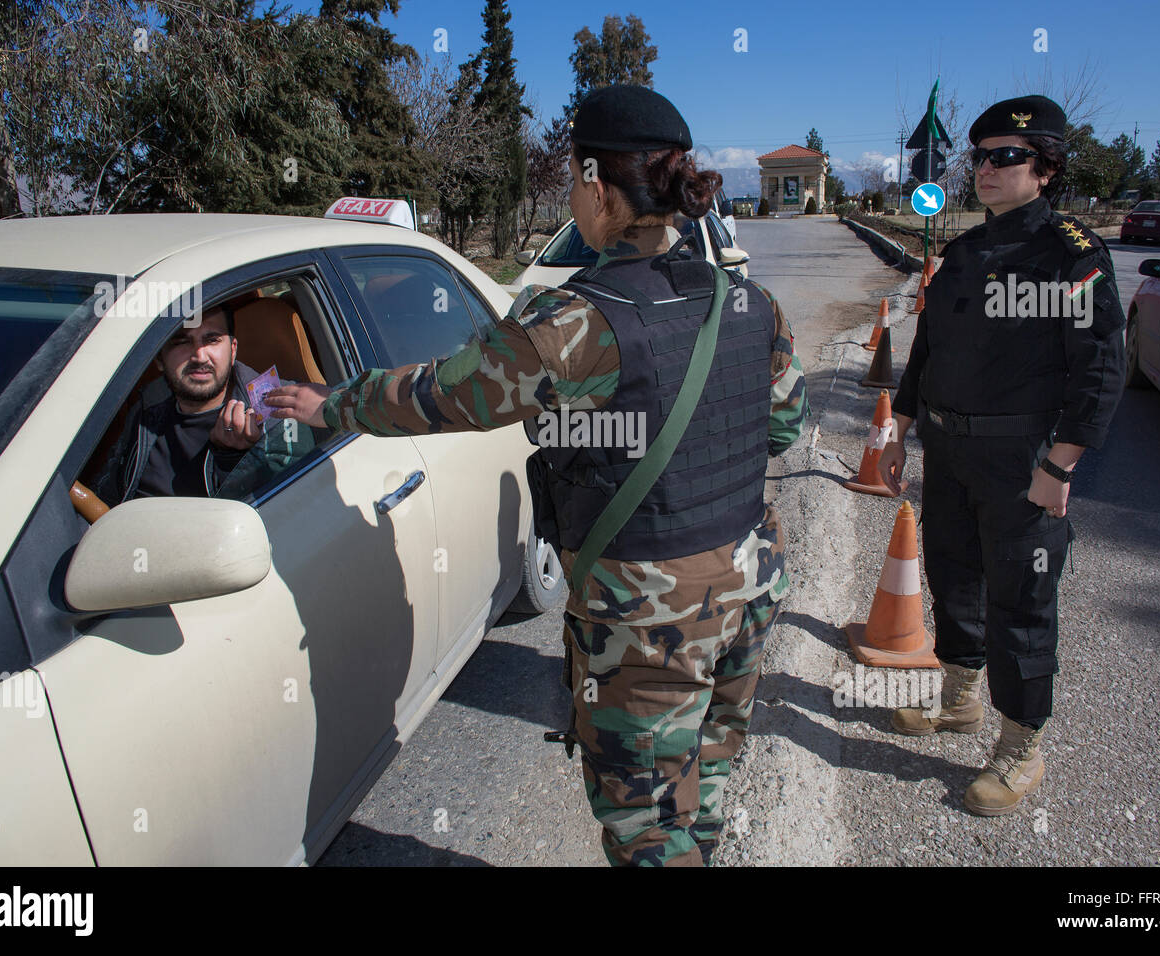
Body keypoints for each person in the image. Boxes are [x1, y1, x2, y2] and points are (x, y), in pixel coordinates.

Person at [267, 84, 807, 866]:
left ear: (595, 183)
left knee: (647, 827)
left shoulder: (575, 322)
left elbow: (442, 396)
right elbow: (784, 428)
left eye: (570, 180)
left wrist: (329, 404)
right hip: (751, 580)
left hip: (651, 616)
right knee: (703, 780)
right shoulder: (748, 298)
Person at [878, 95, 1126, 816]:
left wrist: (1061, 466)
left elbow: (1099, 370)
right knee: (953, 573)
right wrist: (899, 428)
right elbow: (929, 349)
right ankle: (960, 697)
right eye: (978, 157)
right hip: (949, 451)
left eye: (1004, 157)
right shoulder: (963, 251)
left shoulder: (1071, 254)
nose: (983, 168)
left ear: (1045, 168)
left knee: (1021, 599)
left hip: (1023, 460)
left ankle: (1021, 746)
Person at [91, 306, 311, 505]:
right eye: (181, 342)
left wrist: (232, 462)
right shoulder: (147, 406)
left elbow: (291, 514)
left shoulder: (279, 409)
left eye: (212, 340)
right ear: (159, 359)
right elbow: (106, 495)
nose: (199, 355)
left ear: (233, 350)